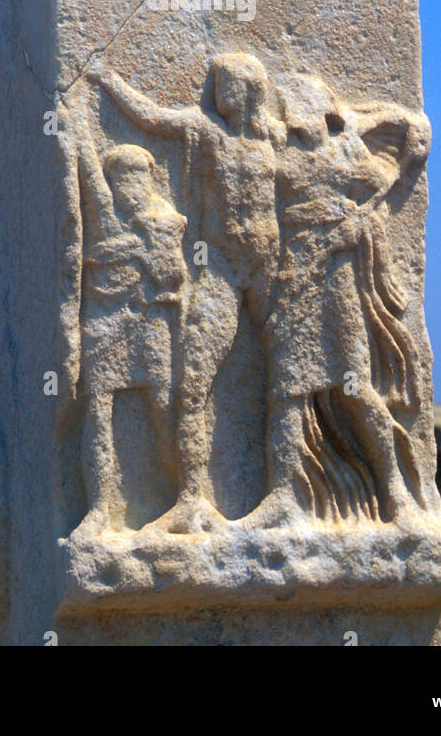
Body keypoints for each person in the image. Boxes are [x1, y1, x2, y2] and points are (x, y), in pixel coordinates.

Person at [88, 51, 283, 532]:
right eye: (217, 83)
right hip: (217, 266)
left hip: (271, 268)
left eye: (231, 83)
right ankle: (191, 497)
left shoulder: (274, 137)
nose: (222, 91)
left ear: (253, 89)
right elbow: (151, 117)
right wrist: (105, 77)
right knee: (191, 382)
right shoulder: (201, 129)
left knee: (288, 378)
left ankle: (288, 493)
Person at [245, 74, 432, 527]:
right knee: (286, 391)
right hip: (291, 272)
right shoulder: (275, 146)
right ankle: (283, 496)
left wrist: (356, 223)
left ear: (320, 106)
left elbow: (411, 139)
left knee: (353, 384)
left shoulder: (347, 147)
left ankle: (396, 491)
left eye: (298, 103)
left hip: (336, 276)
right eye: (288, 105)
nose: (291, 114)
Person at [74, 107, 187, 538]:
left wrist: (136, 249)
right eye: (120, 179)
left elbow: (171, 275)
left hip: (148, 322)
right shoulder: (101, 214)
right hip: (104, 321)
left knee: (163, 406)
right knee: (98, 410)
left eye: (135, 177)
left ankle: (183, 495)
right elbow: (91, 248)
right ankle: (100, 508)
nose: (128, 187)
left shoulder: (164, 220)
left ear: (149, 179)